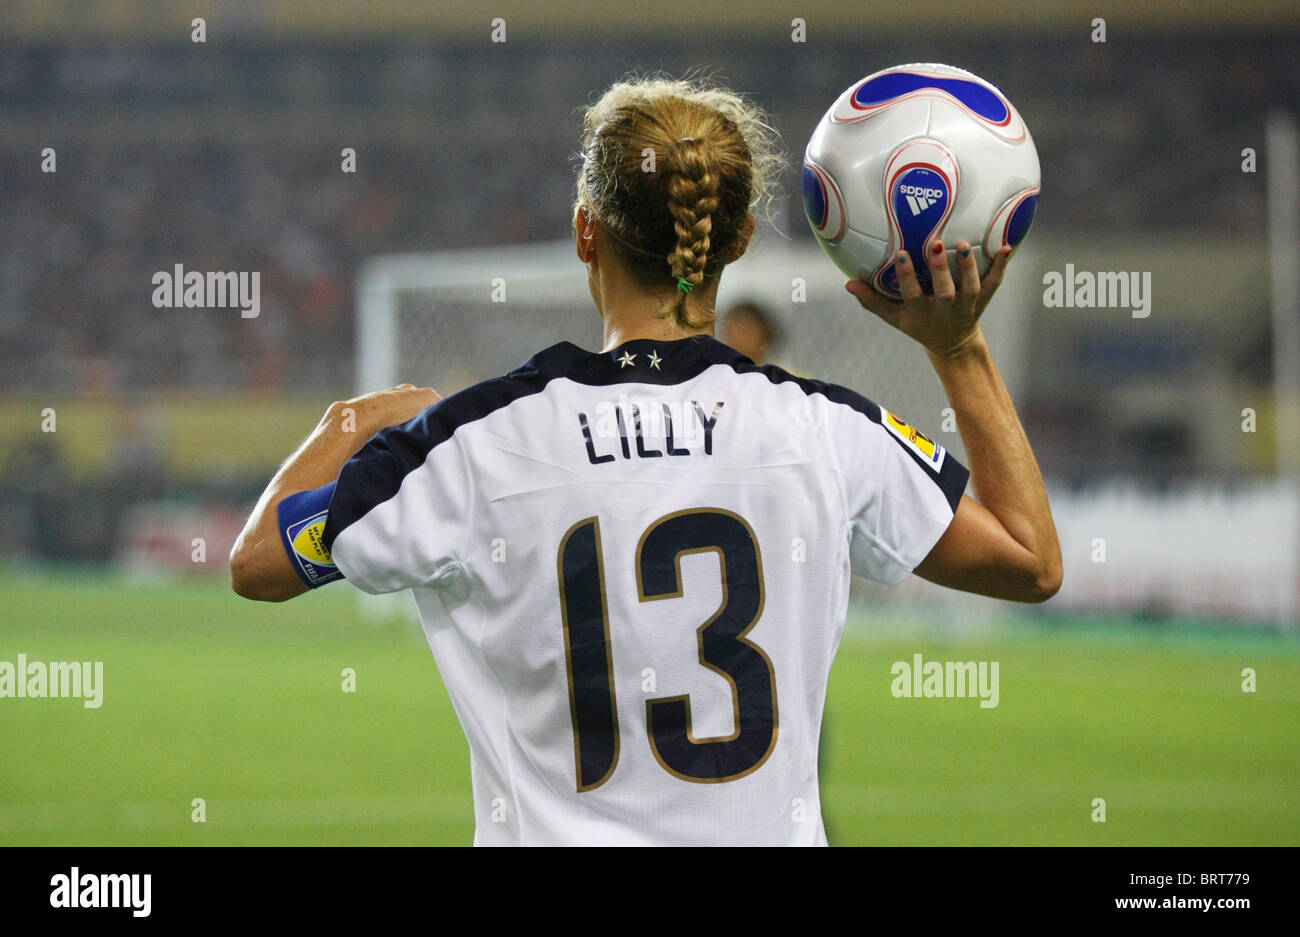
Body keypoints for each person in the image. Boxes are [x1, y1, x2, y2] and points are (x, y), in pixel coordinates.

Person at [229, 75, 1060, 846]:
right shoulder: (825, 429)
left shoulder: (475, 444)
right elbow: (1030, 560)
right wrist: (960, 349)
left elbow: (259, 560)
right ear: (736, 240)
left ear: (586, 229)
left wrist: (360, 416)